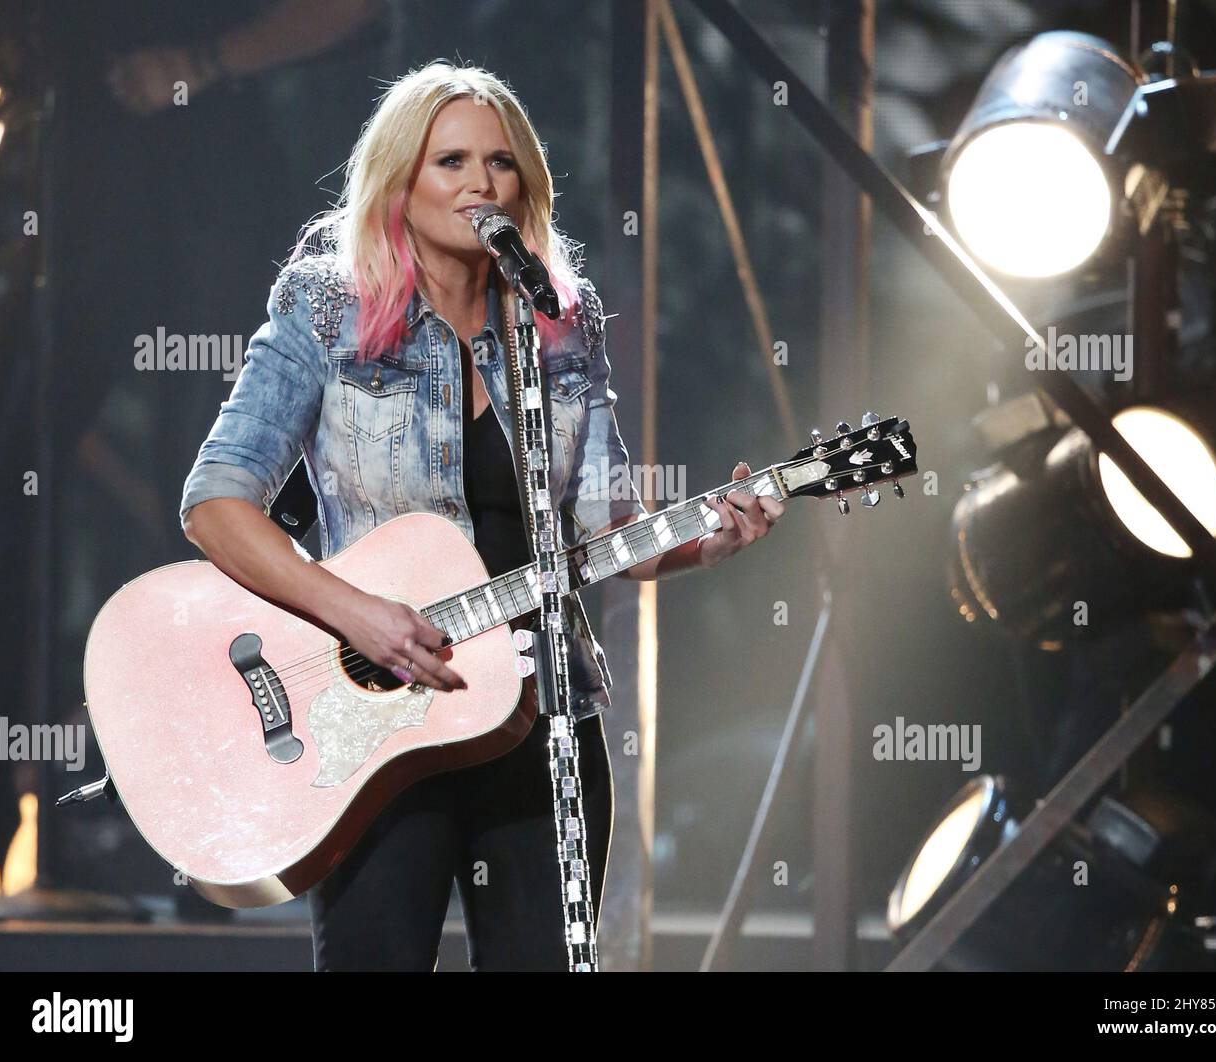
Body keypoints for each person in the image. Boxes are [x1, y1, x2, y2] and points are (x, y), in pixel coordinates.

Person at [178, 61, 786, 971]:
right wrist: (360, 616)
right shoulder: (325, 311)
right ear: (398, 182)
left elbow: (608, 529)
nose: (479, 184)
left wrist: (713, 538)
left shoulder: (558, 326)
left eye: (500, 164)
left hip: (541, 721)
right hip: (379, 729)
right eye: (450, 161)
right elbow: (215, 504)